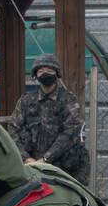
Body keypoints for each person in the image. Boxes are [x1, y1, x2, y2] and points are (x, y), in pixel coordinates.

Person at [6, 52, 90, 183]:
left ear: (56, 73)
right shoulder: (26, 101)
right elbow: (13, 129)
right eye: (41, 71)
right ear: (35, 75)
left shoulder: (68, 100)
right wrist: (26, 158)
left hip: (62, 169)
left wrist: (45, 159)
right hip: (29, 166)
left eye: (50, 70)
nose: (45, 73)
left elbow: (70, 132)